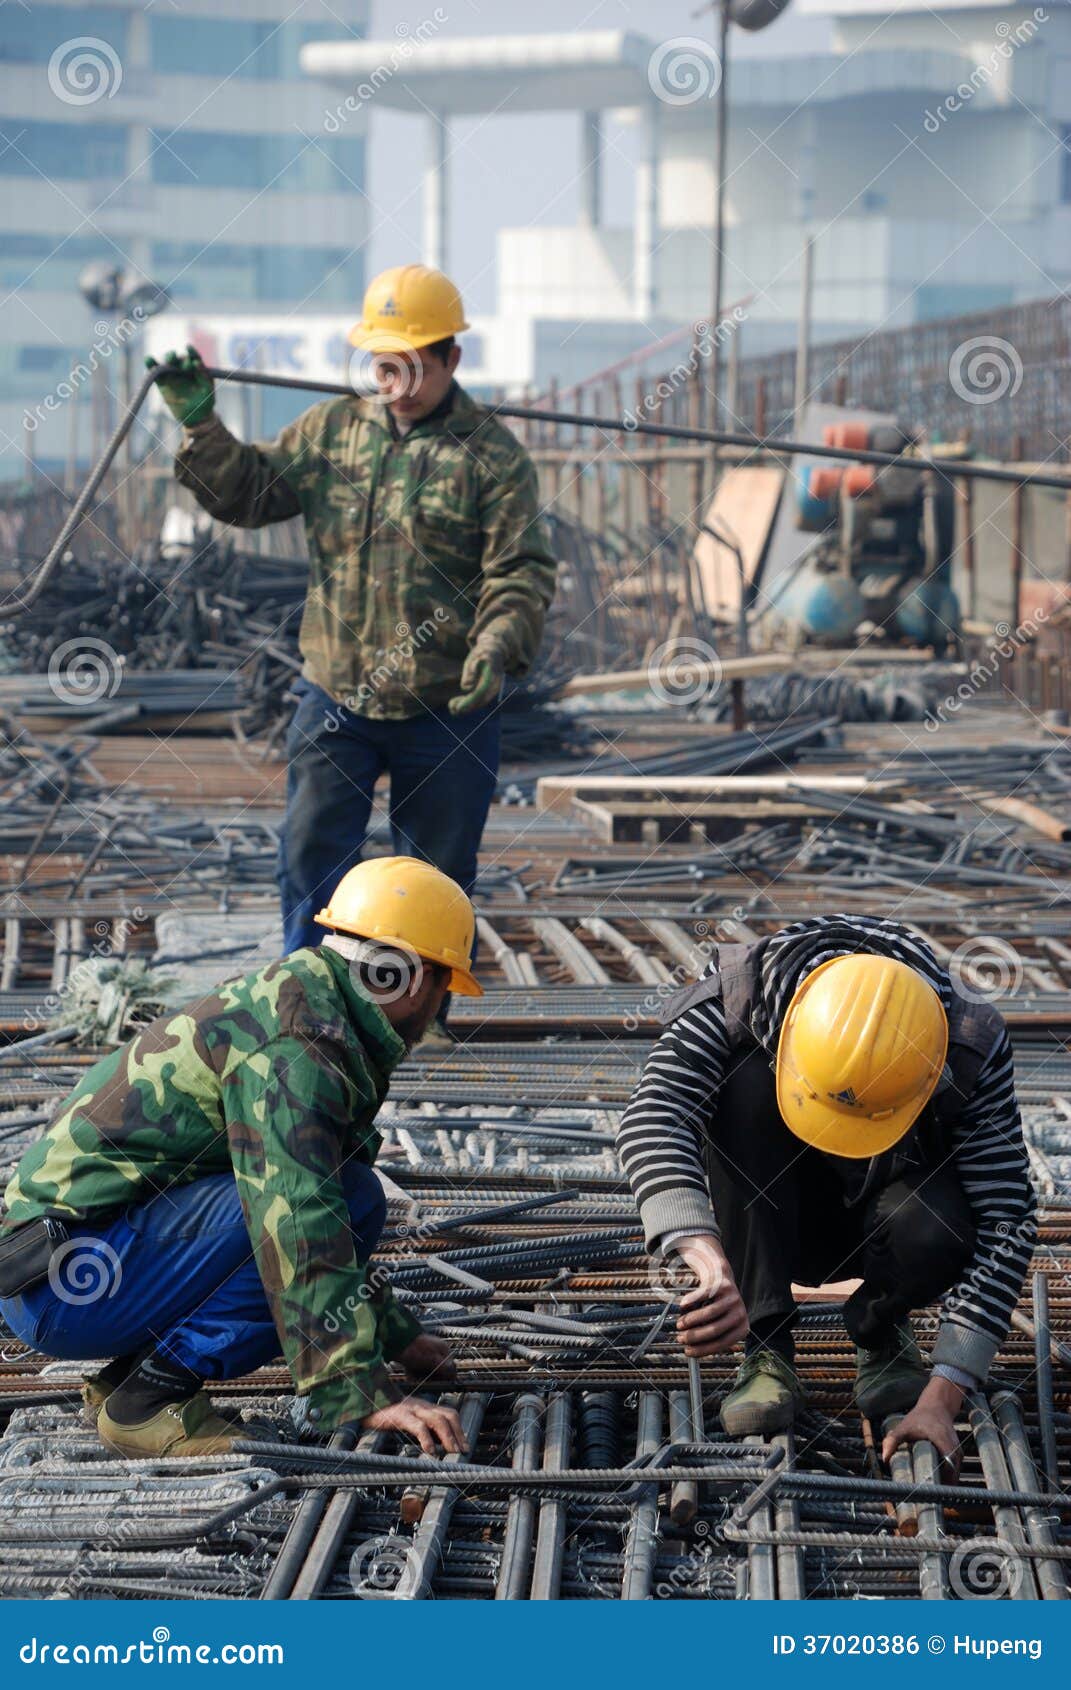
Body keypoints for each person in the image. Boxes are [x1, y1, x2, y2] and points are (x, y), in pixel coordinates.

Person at [0, 858, 479, 1460]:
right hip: (68, 1287)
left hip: (67, 1273)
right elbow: (300, 1215)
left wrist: (398, 1337)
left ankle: (131, 1379)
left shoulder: (307, 1004)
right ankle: (147, 1398)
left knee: (346, 1194)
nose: (439, 1013)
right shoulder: (298, 1042)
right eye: (442, 988)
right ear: (405, 975)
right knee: (346, 1199)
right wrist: (356, 1388)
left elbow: (315, 1212)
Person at [150, 262, 557, 966]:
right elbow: (248, 496)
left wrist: (494, 646)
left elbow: (518, 570)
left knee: (432, 887)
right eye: (381, 361)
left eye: (408, 363)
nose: (390, 378)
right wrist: (201, 425)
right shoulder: (329, 432)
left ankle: (414, 1018)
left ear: (450, 359)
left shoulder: (490, 456)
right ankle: (305, 1004)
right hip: (338, 697)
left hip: (445, 708)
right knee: (311, 861)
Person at [616, 915, 1036, 1471]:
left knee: (945, 1220)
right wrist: (706, 1259)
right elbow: (652, 1119)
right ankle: (766, 1343)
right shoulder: (732, 1000)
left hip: (887, 1206)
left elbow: (1008, 1214)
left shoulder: (967, 1041)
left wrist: (944, 1394)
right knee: (740, 1088)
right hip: (768, 1211)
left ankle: (881, 1326)